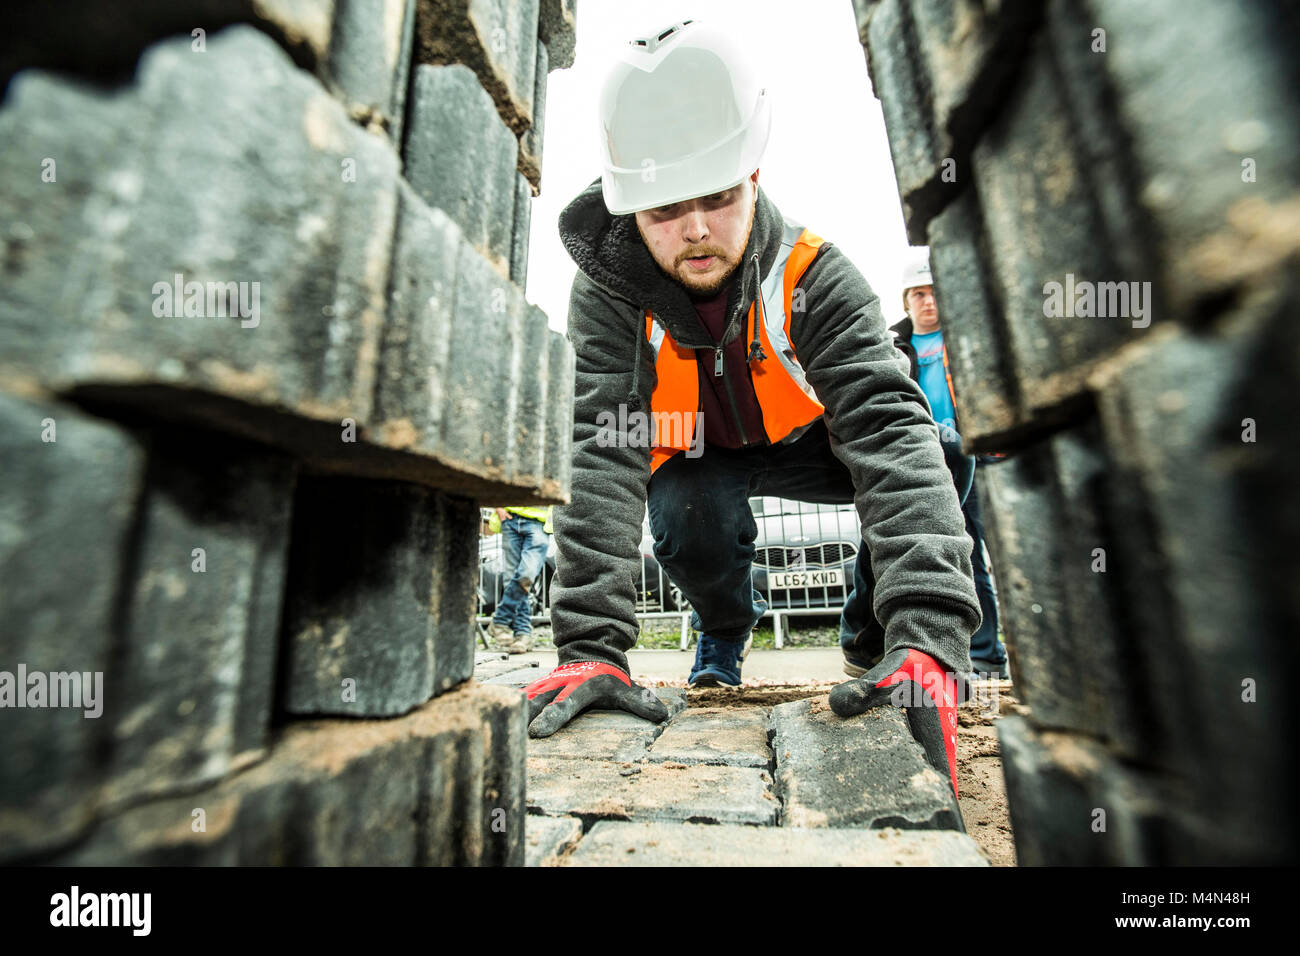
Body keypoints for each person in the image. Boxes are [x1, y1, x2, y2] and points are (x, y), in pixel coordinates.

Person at [524, 20, 980, 796]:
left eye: (718, 197)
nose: (696, 229)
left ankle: (873, 638)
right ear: (625, 203)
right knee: (687, 517)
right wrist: (589, 646)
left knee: (940, 450)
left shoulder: (816, 275)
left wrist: (931, 639)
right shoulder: (608, 293)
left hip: (808, 442)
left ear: (755, 176)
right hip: (696, 451)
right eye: (666, 207)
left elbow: (886, 429)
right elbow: (602, 446)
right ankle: (724, 633)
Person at [888, 256, 1009, 679]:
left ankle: (991, 653)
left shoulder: (969, 337)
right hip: (927, 463)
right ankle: (973, 652)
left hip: (981, 457)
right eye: (918, 293)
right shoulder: (894, 346)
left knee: (989, 554)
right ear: (906, 300)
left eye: (934, 292)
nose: (927, 301)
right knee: (955, 551)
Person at [485, 505, 553, 653]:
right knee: (511, 580)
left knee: (526, 576)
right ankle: (523, 635)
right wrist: (499, 507)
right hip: (510, 519)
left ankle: (500, 620)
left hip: (538, 522)